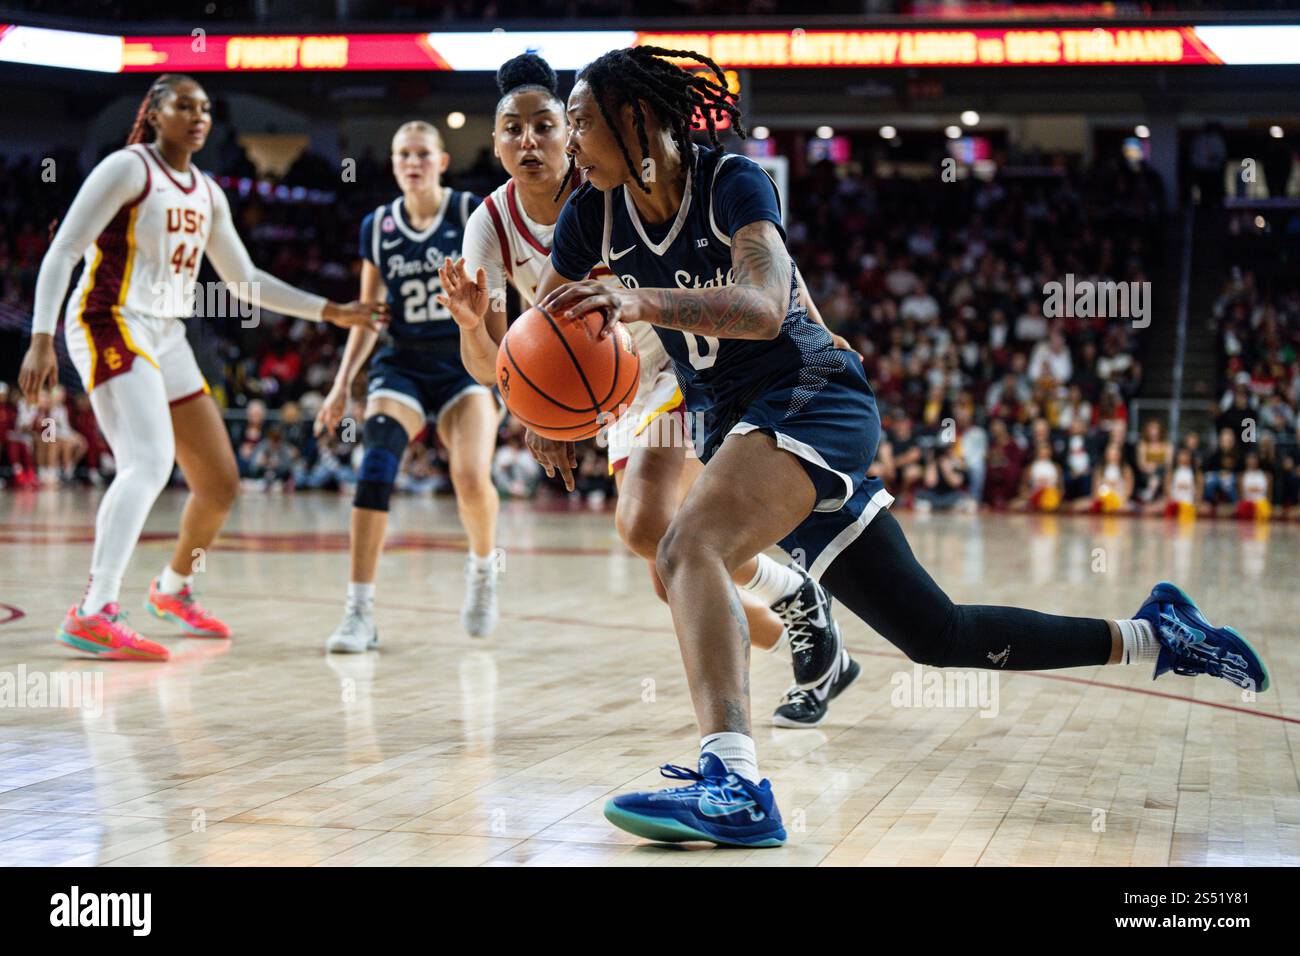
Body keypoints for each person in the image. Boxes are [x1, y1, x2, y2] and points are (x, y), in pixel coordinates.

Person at [529, 46, 1268, 848]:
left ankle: (734, 780)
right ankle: (1157, 631)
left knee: (686, 546)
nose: (569, 139)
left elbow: (767, 304)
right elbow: (544, 331)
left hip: (813, 396)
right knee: (937, 633)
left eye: (579, 121)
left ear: (635, 119)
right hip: (745, 430)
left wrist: (636, 297)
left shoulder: (731, 179)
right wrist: (544, 417)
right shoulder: (587, 216)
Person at [440, 53, 855, 727]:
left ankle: (752, 689)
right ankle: (798, 615)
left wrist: (816, 327)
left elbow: (754, 257)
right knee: (666, 556)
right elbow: (498, 367)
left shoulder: (614, 168)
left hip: (673, 361)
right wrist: (494, 357)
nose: (533, 141)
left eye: (548, 124)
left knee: (651, 527)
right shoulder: (489, 225)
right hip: (606, 384)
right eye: (512, 130)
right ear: (494, 143)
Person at [18, 74, 383, 662]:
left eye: (206, 108)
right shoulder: (127, 169)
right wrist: (40, 336)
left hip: (167, 333)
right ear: (155, 113)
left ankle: (172, 589)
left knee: (219, 481)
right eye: (183, 105)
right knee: (149, 461)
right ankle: (92, 611)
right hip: (108, 320)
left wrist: (331, 310)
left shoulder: (208, 191)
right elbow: (65, 249)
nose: (197, 115)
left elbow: (243, 280)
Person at [314, 119, 501, 650]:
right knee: (374, 470)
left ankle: (483, 569)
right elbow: (370, 314)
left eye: (422, 154)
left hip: (463, 361)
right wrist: (341, 383)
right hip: (400, 364)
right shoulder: (377, 225)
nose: (413, 163)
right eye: (403, 155)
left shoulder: (469, 213)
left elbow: (500, 289)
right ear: (393, 164)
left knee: (469, 476)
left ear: (442, 162)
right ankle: (358, 612)